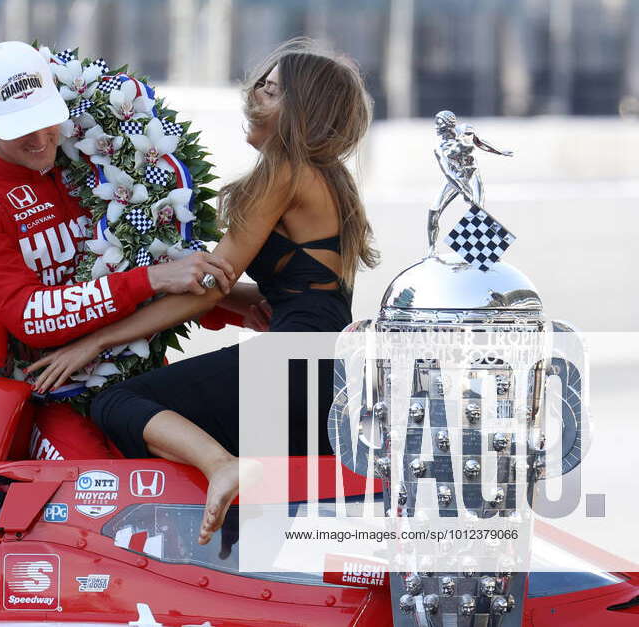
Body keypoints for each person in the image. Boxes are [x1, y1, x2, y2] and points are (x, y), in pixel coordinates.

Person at [27, 38, 380, 543]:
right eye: (260, 85)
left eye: (271, 90)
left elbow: (211, 286)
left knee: (117, 403)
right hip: (326, 366)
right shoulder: (330, 179)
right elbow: (297, 290)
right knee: (260, 533)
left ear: (303, 109)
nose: (253, 95)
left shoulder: (284, 171)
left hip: (293, 360)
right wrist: (228, 293)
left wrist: (96, 340)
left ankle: (221, 466)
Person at [0, 41, 236, 459]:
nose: (40, 139)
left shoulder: (97, 165)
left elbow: (144, 263)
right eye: (20, 127)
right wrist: (153, 279)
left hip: (133, 376)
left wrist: (227, 300)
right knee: (103, 487)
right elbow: (30, 316)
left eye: (45, 118)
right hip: (49, 397)